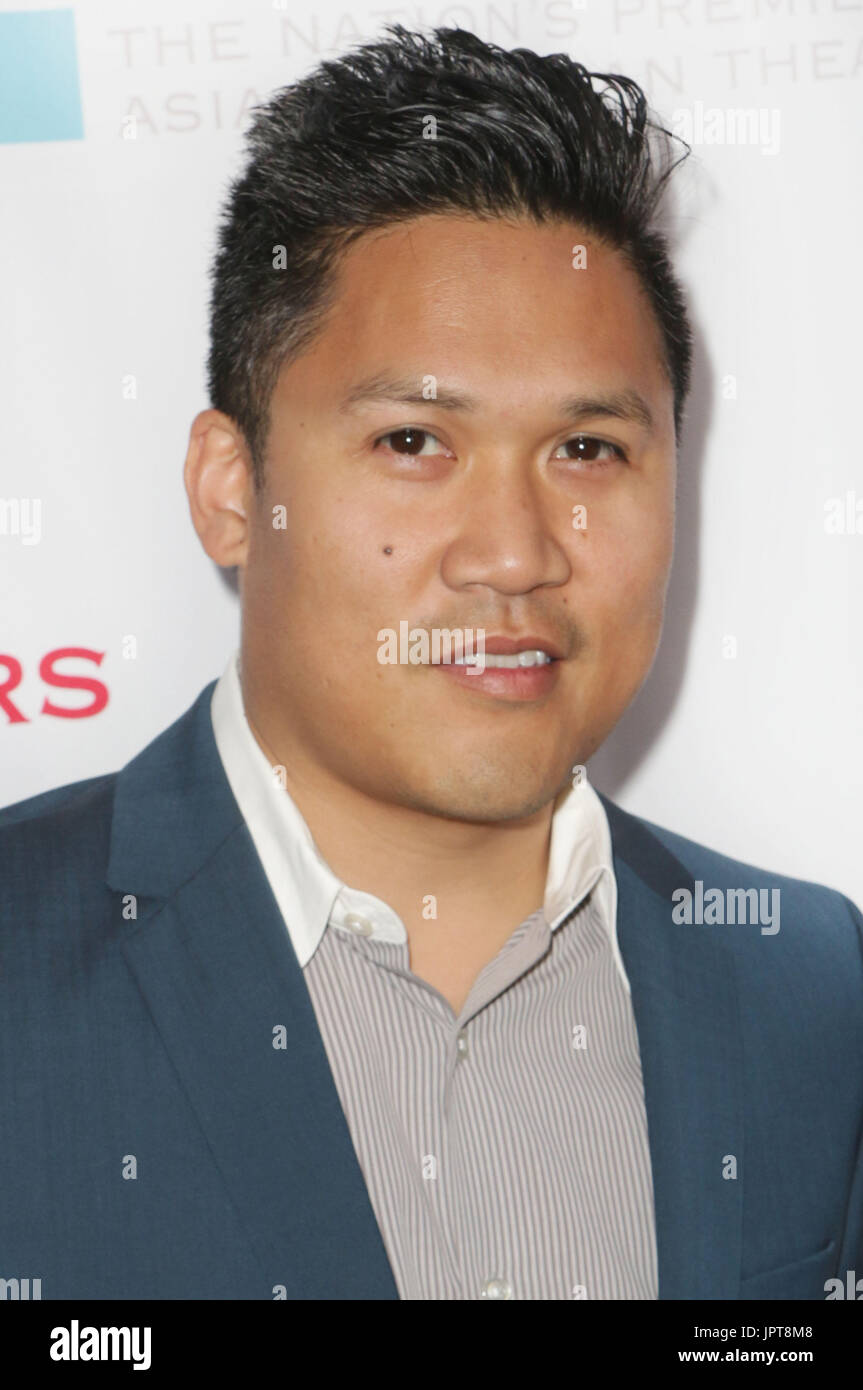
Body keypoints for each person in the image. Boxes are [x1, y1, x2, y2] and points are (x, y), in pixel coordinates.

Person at [1, 24, 860, 1302]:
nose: (513, 555)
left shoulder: (806, 986)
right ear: (232, 490)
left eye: (587, 451)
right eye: (413, 440)